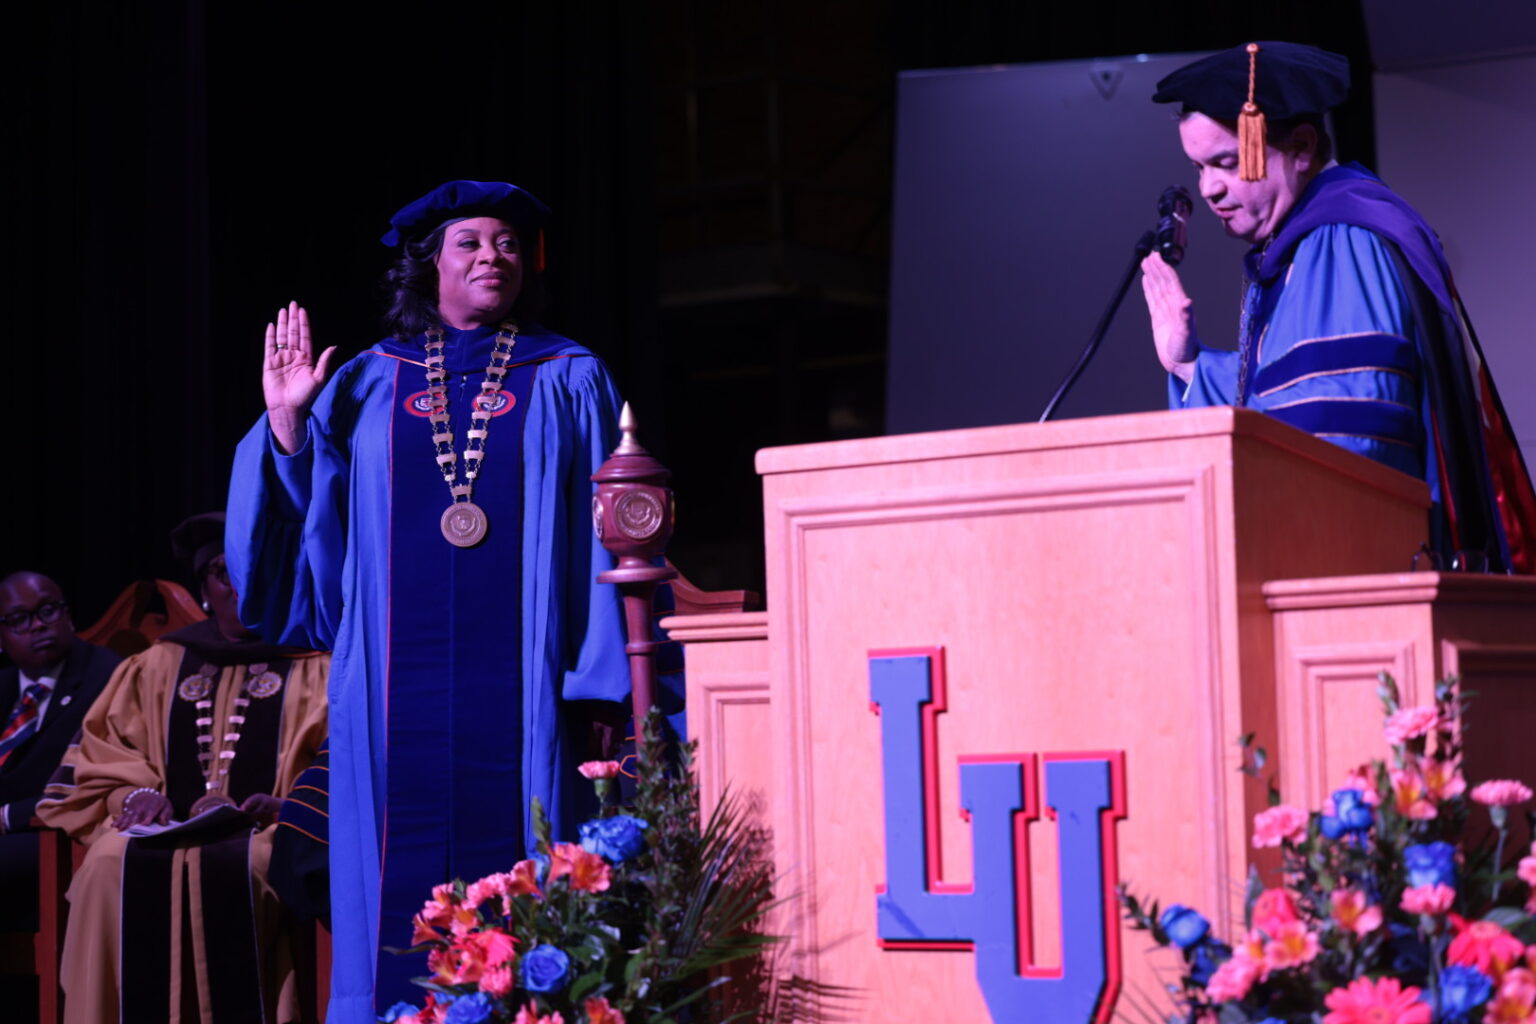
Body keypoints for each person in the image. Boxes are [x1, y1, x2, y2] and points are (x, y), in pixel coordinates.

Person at [225, 179, 632, 1019]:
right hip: (390, 692)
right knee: (391, 891)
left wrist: (597, 677)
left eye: (510, 243)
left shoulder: (569, 373)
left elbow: (609, 533)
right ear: (430, 264)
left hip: (522, 680)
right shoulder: (369, 379)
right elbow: (310, 537)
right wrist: (290, 431)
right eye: (471, 243)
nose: (495, 256)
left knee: (524, 868)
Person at [1139, 41, 1536, 573]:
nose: (1209, 188)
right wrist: (1189, 364)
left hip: (1366, 567)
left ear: (1301, 148)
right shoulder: (1307, 245)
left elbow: (1343, 439)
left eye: (1227, 162)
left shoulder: (1341, 239)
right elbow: (1296, 395)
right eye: (1198, 167)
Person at [37, 513, 329, 1024]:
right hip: (158, 829)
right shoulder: (154, 665)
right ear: (205, 588)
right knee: (107, 864)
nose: (240, 585)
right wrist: (131, 796)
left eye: (253, 567)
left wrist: (291, 806)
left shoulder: (319, 665)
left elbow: (344, 764)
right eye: (224, 572)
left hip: (270, 831)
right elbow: (100, 755)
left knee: (250, 867)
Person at [0, 571, 120, 1021]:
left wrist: (7, 816)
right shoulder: (6, 687)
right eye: (18, 619)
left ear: (67, 615)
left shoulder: (105, 675)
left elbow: (88, 781)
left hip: (58, 832)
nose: (37, 625)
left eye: (47, 611)